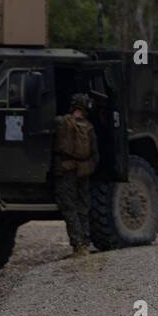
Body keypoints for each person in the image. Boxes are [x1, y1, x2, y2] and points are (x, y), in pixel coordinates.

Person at [54, 93, 98, 256]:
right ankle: (85, 242)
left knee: (69, 208)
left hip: (66, 170)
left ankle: (78, 245)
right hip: (83, 170)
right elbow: (95, 154)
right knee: (83, 207)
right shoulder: (89, 126)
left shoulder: (61, 122)